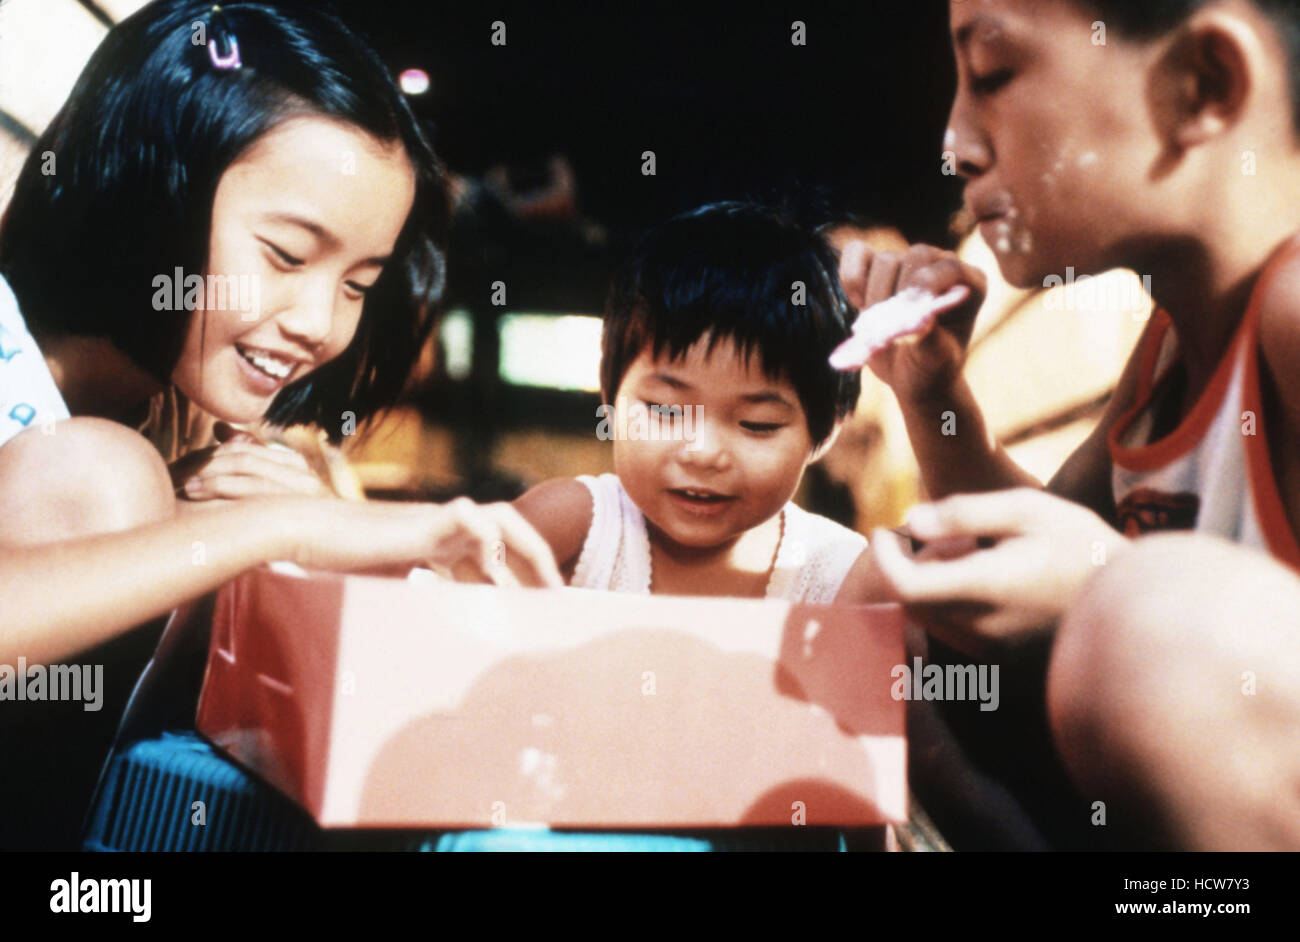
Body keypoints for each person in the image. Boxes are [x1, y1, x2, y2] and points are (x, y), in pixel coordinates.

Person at [0, 0, 559, 848]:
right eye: (288, 256)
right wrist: (278, 526)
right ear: (151, 186)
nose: (320, 325)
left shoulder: (183, 426)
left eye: (358, 284)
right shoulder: (96, 457)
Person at [835, 0, 1300, 849]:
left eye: (994, 75)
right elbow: (1025, 558)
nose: (957, 143)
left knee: (1141, 620)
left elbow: (1118, 607)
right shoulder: (1172, 346)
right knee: (885, 607)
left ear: (1204, 87)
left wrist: (1103, 586)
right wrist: (933, 396)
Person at [514, 202, 883, 607]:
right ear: (611, 397)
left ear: (825, 429)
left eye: (756, 424)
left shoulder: (837, 573)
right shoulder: (578, 528)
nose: (703, 453)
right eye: (667, 410)